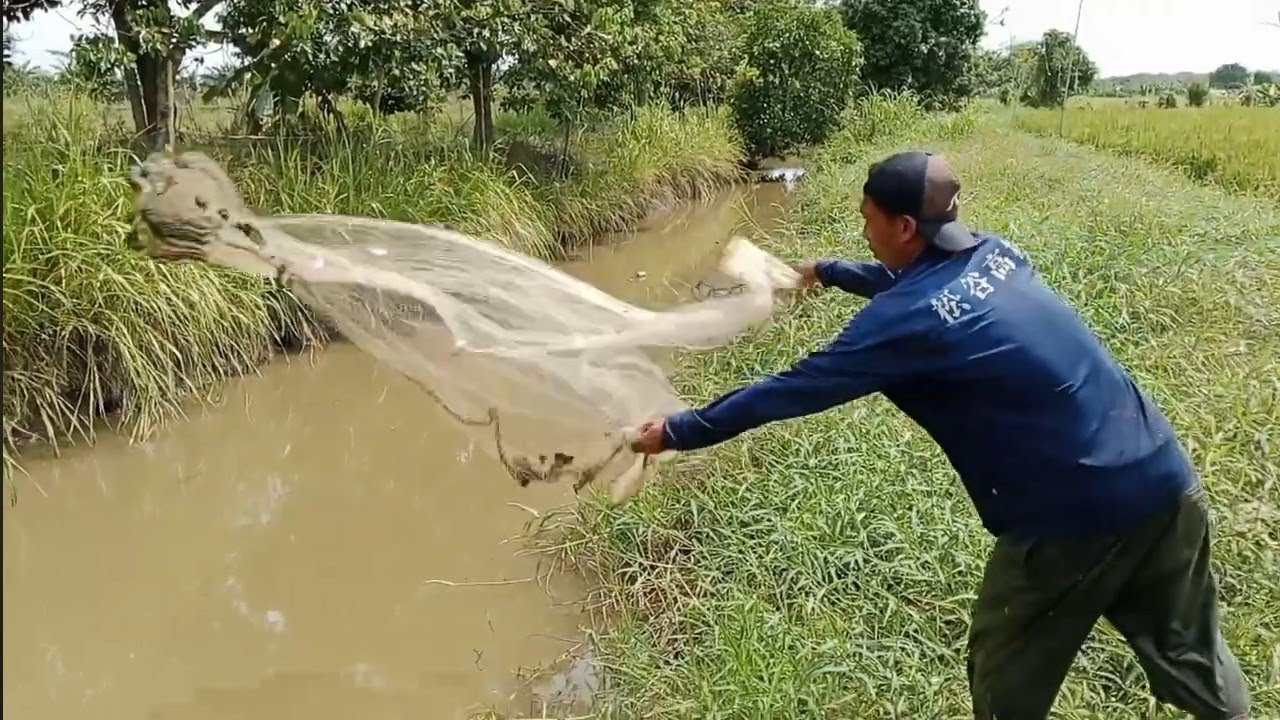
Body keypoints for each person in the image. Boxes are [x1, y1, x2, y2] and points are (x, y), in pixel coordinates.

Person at [627, 150, 1252, 720]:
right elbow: (925, 286)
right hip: (1165, 477)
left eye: (868, 218)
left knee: (1005, 673)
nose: (864, 228)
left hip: (1073, 518)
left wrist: (680, 430)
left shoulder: (902, 326)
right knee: (1192, 656)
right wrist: (828, 270)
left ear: (902, 226)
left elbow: (789, 390)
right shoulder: (995, 253)